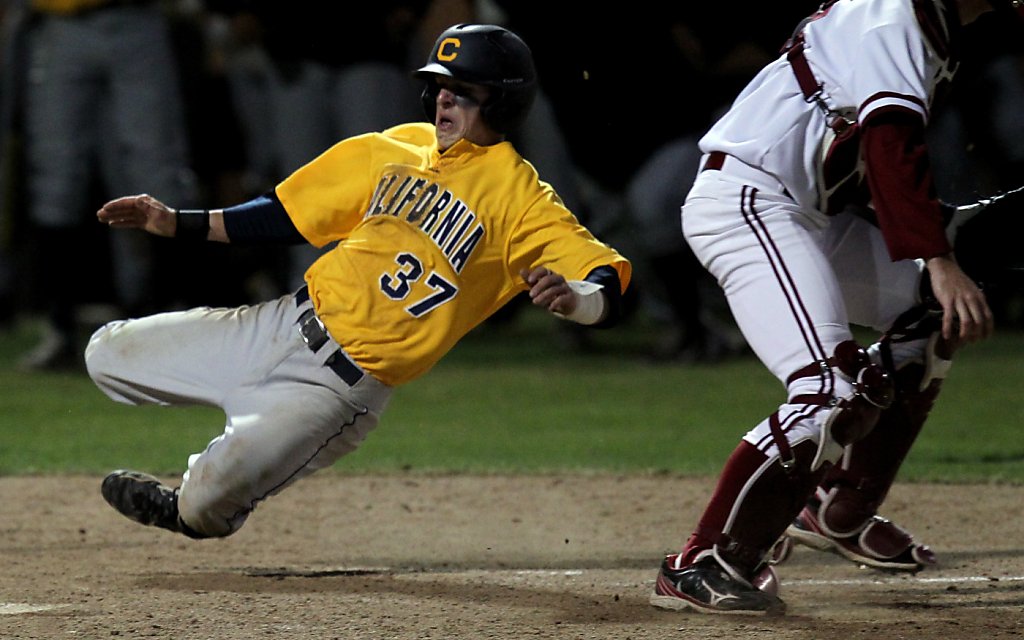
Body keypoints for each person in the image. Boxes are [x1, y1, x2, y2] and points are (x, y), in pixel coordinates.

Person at [85, 23, 631, 540]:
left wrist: (578, 302)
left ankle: (183, 509)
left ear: (503, 100)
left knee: (202, 508)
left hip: (331, 392)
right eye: (439, 86)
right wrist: (175, 222)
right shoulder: (398, 146)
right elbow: (286, 214)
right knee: (105, 355)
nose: (443, 98)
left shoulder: (522, 200)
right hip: (277, 325)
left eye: (463, 90)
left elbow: (609, 280)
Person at [650, 0, 1020, 615]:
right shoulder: (895, 14)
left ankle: (836, 507)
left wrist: (947, 243)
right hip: (748, 201)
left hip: (810, 212)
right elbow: (890, 146)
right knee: (828, 390)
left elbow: (854, 154)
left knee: (929, 311)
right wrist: (937, 256)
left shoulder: (928, 23)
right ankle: (702, 562)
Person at [15, 0, 197, 370]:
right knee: (55, 175)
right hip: (60, 20)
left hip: (134, 18)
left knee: (157, 172)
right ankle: (60, 327)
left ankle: (165, 327)